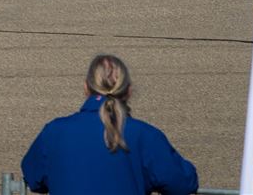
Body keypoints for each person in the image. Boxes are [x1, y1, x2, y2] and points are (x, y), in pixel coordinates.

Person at [20, 54, 198, 195]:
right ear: (128, 90)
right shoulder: (144, 135)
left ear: (86, 88)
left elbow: (34, 178)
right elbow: (182, 183)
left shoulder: (54, 132)